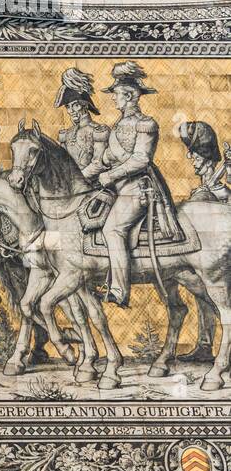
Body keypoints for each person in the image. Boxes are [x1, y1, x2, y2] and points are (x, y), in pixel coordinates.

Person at [80, 61, 179, 306]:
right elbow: (103, 160)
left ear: (129, 96)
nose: (113, 100)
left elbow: (140, 160)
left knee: (112, 229)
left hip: (139, 189)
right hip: (118, 189)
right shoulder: (117, 126)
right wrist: (80, 176)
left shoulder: (146, 124)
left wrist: (111, 176)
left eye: (116, 95)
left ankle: (119, 292)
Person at [55, 67, 109, 173]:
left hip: (95, 186)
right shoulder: (65, 134)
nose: (71, 111)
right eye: (68, 107)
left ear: (84, 104)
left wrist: (78, 182)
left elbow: (98, 164)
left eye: (75, 105)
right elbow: (62, 164)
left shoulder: (98, 131)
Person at [178, 121, 230, 203]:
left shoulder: (224, 193)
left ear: (209, 162)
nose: (193, 163)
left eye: (198, 159)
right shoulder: (198, 191)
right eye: (194, 159)